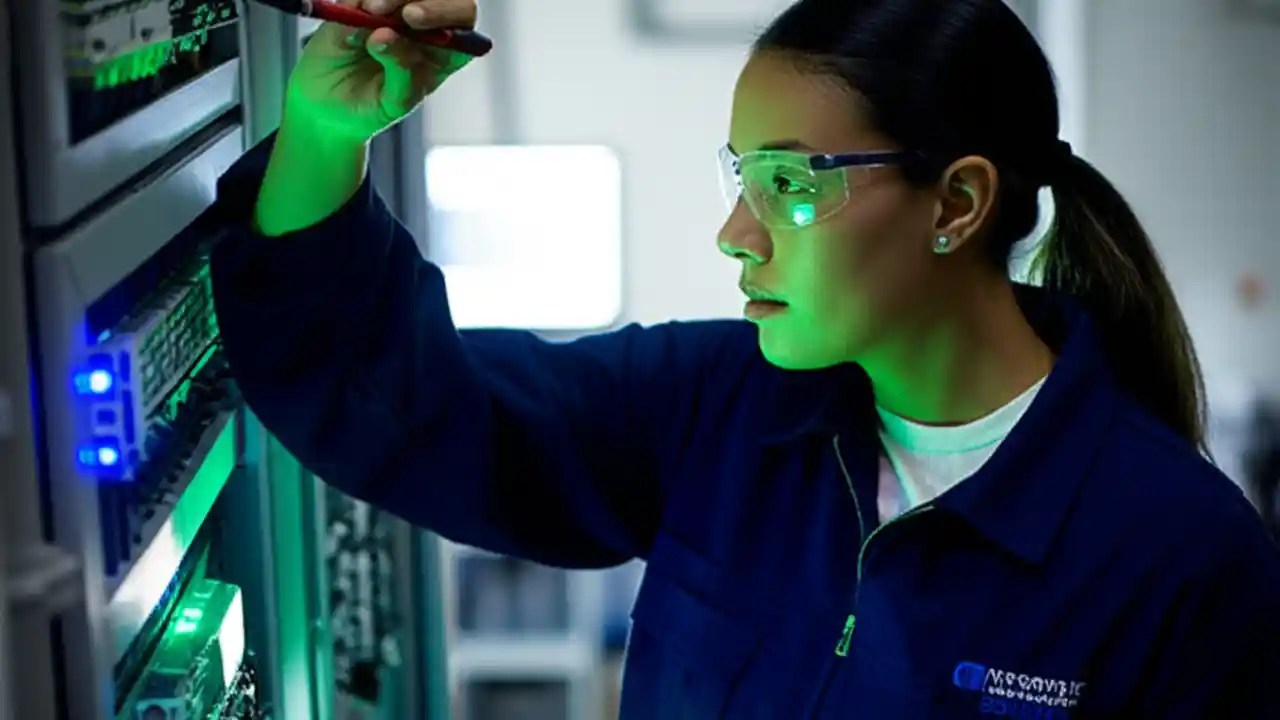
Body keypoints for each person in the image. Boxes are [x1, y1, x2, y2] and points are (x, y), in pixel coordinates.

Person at [209, 0, 1280, 716]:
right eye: (740, 174)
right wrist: (322, 129)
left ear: (955, 202)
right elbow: (402, 402)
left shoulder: (1178, 558)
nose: (735, 231)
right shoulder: (718, 411)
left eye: (789, 182)